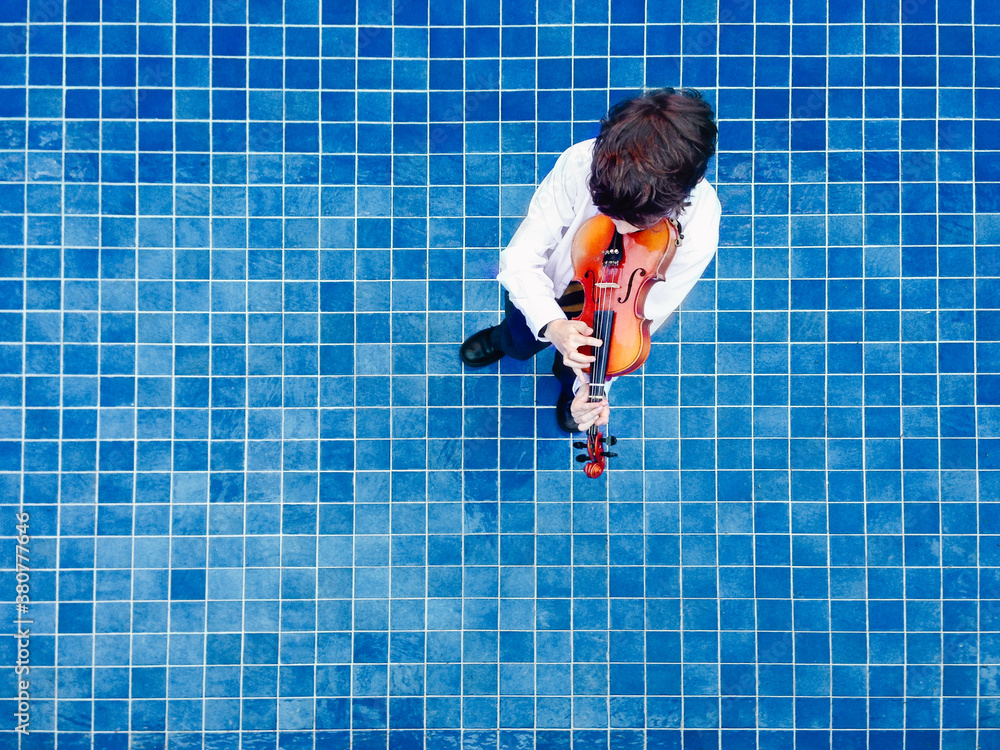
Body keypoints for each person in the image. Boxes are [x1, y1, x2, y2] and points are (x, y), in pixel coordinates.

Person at [460, 88, 721, 433]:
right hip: (547, 289)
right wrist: (553, 326)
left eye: (633, 221)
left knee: (572, 373)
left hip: (606, 324)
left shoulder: (700, 225)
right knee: (520, 337)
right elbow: (521, 257)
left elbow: (642, 317)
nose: (615, 226)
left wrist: (593, 386)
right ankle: (502, 340)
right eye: (606, 209)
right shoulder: (582, 160)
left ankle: (571, 394)